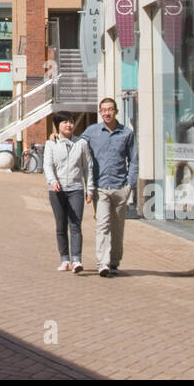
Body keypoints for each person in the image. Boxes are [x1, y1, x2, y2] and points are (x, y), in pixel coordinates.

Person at [78, 97, 137, 278]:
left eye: (110, 109)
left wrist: (130, 184)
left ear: (116, 111)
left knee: (118, 228)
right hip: (101, 188)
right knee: (103, 225)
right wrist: (56, 136)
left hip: (120, 187)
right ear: (100, 112)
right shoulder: (91, 132)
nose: (106, 113)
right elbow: (76, 146)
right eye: (103, 110)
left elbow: (133, 159)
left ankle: (114, 262)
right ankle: (102, 263)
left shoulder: (126, 133)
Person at [43, 111, 93, 274]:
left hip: (76, 189)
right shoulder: (51, 144)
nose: (69, 125)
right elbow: (48, 165)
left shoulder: (81, 143)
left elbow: (87, 167)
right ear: (58, 125)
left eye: (71, 122)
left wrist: (89, 188)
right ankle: (64, 259)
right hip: (57, 190)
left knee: (76, 225)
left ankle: (76, 260)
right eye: (64, 122)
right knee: (60, 225)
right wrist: (53, 181)